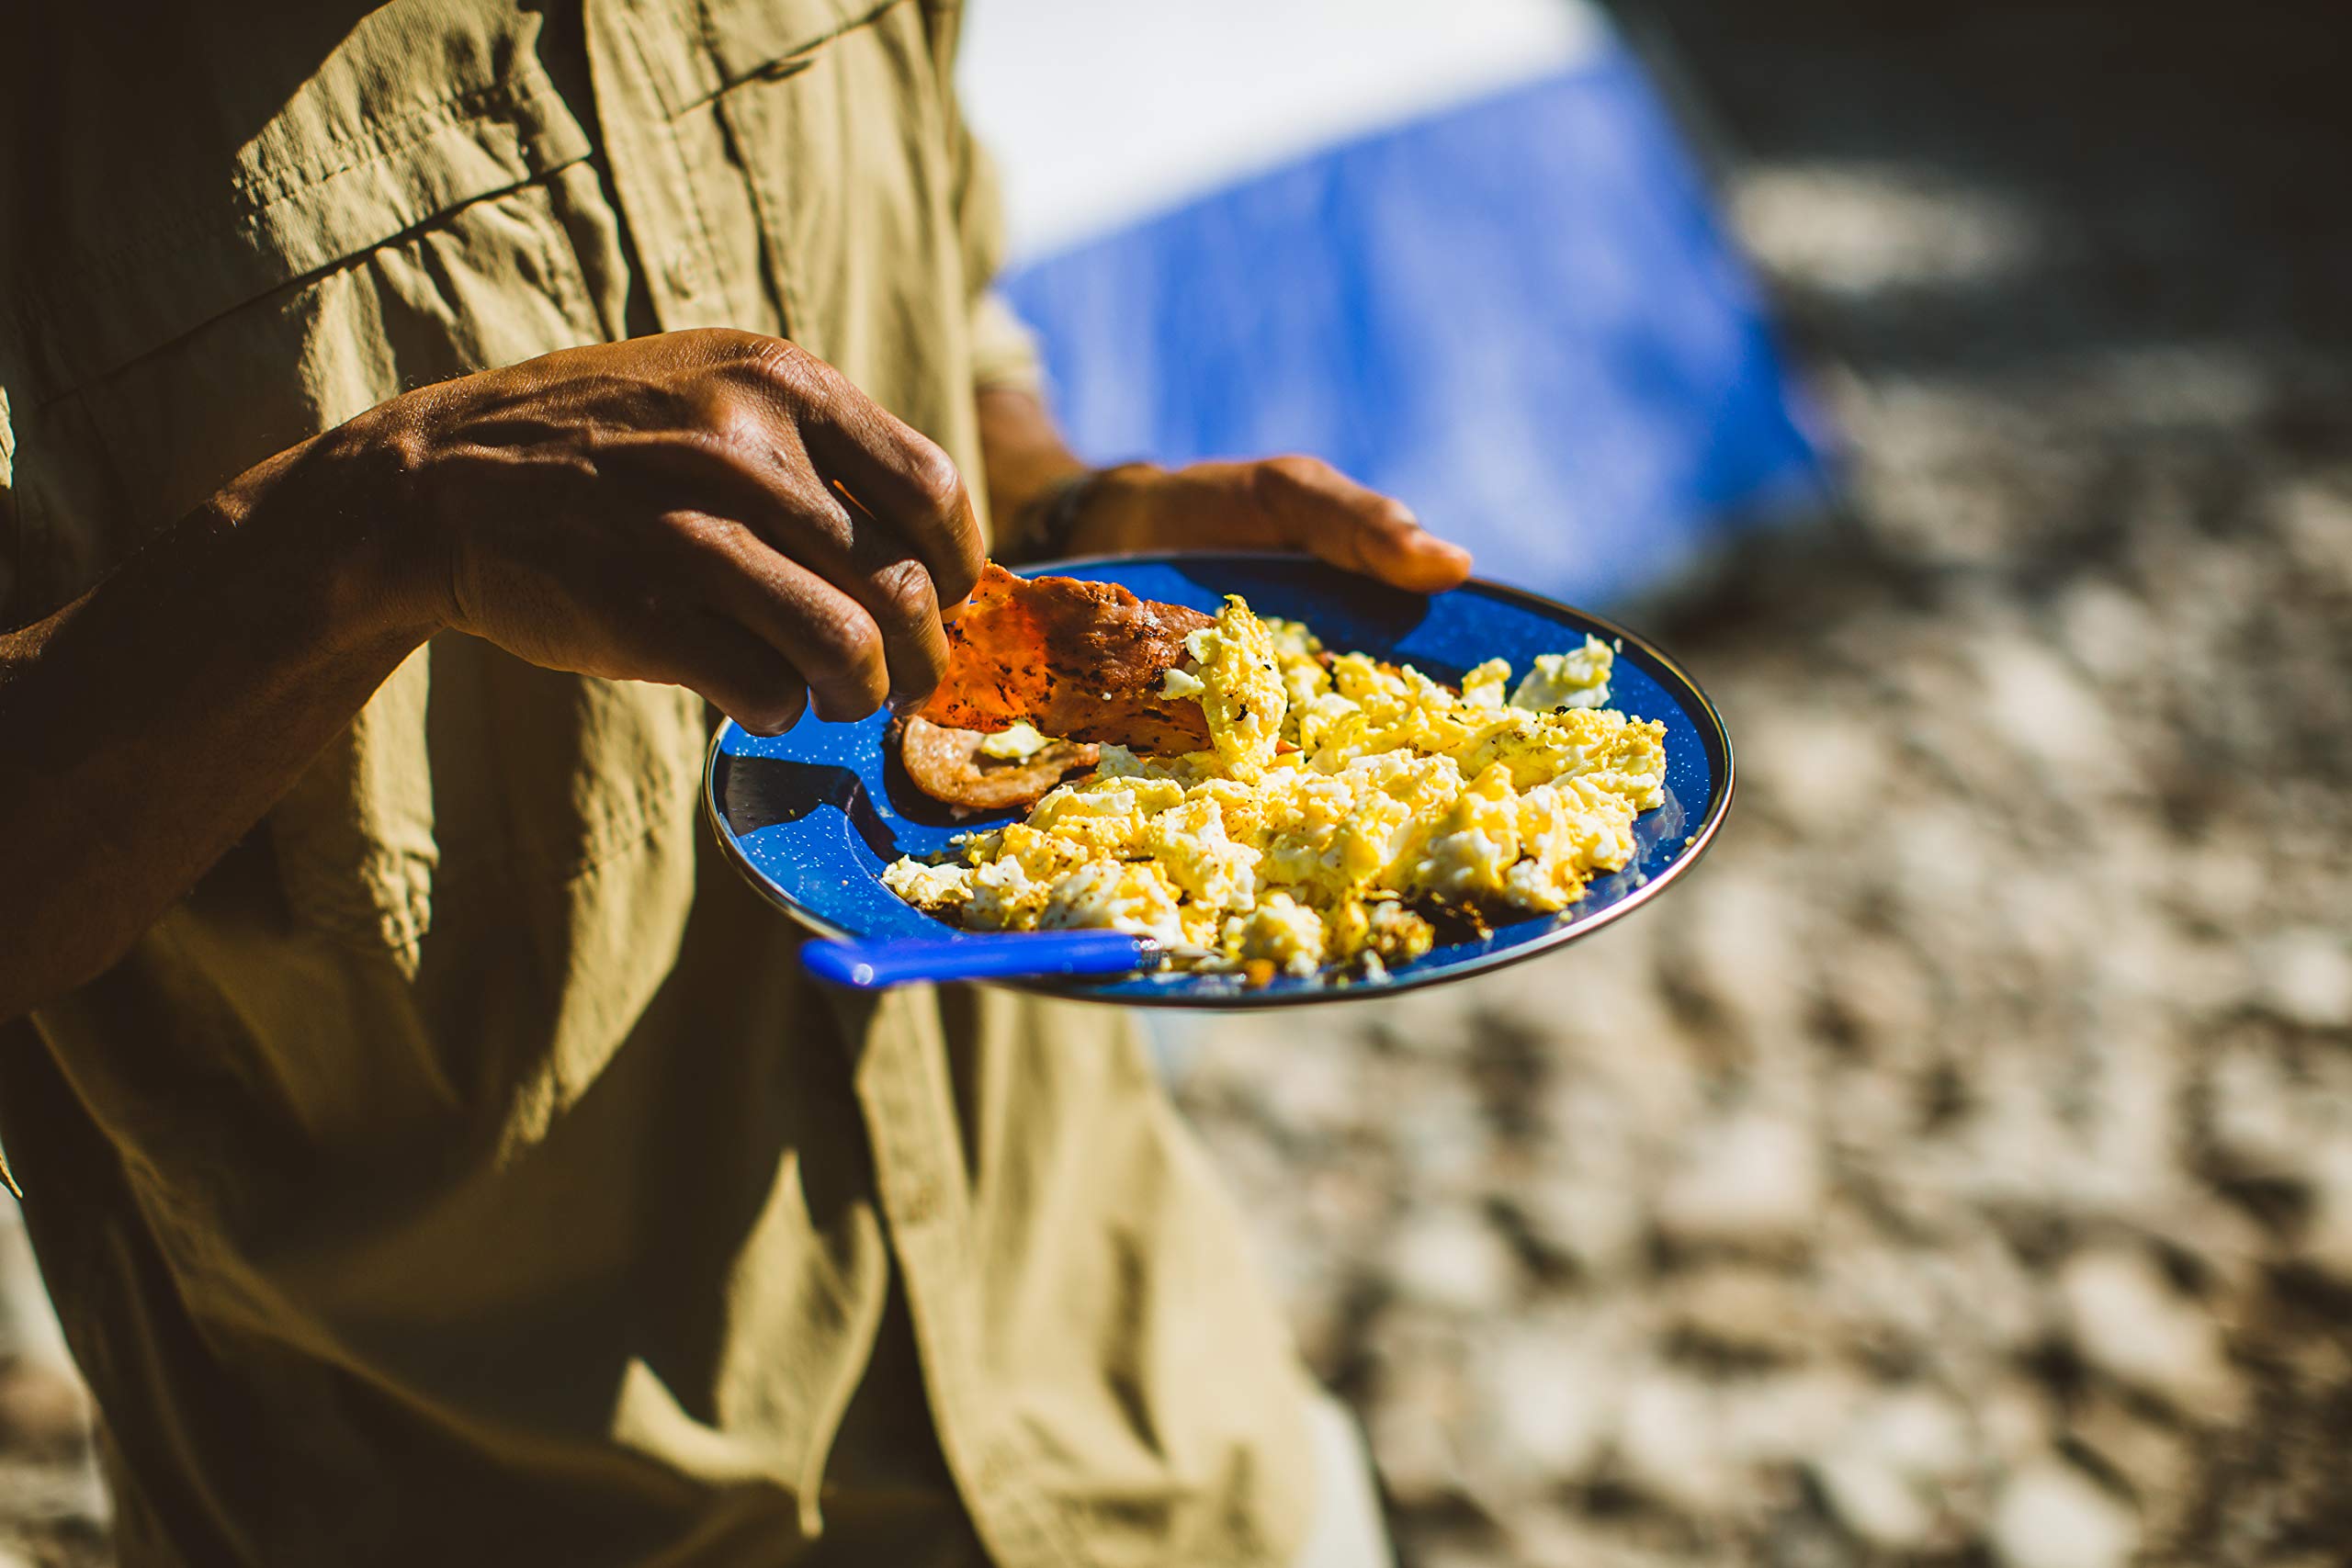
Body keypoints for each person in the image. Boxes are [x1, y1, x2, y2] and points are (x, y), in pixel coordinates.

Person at [0, 2, 1472, 1563]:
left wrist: (1060, 525)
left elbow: (938, 304)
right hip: (481, 1506)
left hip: (1156, 1432)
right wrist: (372, 528)